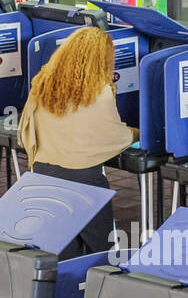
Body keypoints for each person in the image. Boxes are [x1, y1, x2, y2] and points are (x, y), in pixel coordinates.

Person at [18, 26, 134, 257]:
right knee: (97, 253)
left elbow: (25, 131)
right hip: (84, 182)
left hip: (43, 175)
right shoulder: (99, 93)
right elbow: (112, 136)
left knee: (56, 249)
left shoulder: (42, 84)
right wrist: (139, 133)